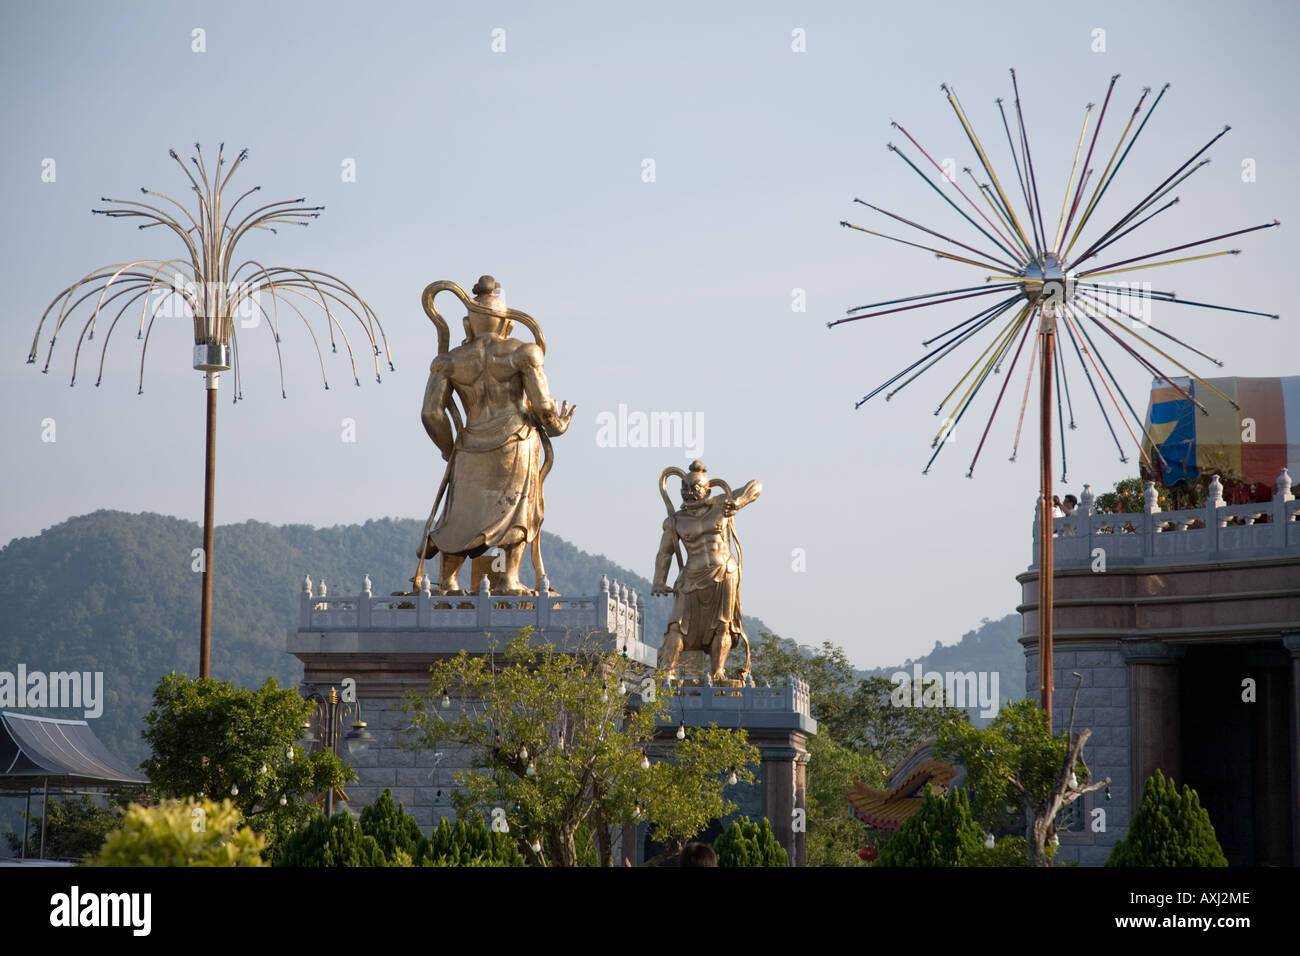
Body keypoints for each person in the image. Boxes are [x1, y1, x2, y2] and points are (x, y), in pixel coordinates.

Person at [418, 276, 574, 594]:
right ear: (507, 326)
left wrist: (449, 448)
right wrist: (559, 425)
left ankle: (447, 580)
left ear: (467, 324)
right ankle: (507, 579)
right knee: (515, 507)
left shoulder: (448, 362)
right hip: (515, 440)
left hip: (469, 443)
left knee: (461, 512)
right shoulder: (524, 352)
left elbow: (431, 414)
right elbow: (544, 407)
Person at [653, 460, 761, 685]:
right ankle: (667, 672)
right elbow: (665, 553)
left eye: (695, 489)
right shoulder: (675, 521)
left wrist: (739, 502)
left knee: (723, 625)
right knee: (677, 626)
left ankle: (718, 672)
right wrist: (658, 580)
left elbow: (756, 486)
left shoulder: (722, 505)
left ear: (708, 490)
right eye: (685, 490)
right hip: (691, 578)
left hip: (724, 572)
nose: (689, 494)